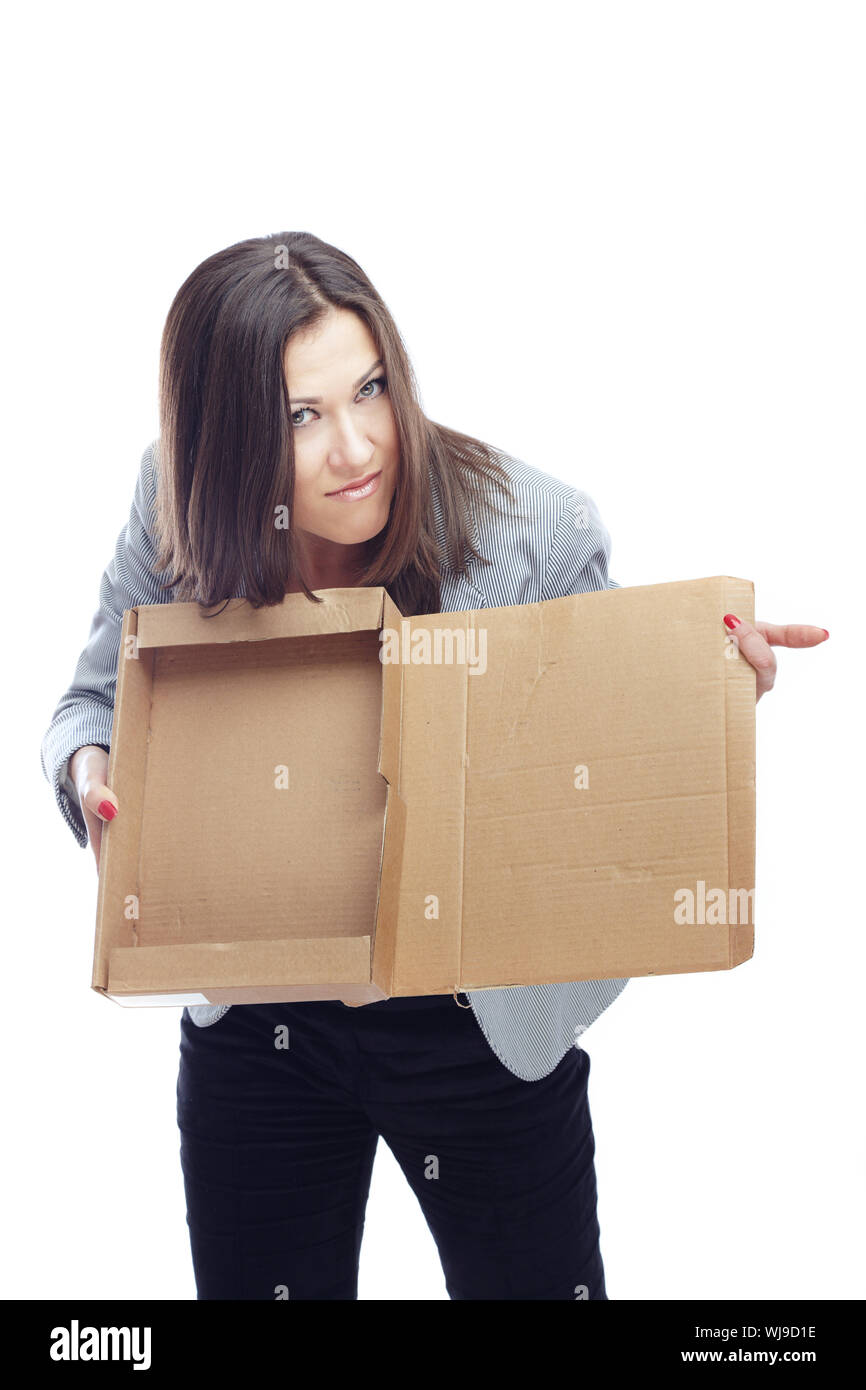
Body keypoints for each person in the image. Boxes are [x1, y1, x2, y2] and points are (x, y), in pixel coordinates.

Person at [40, 231, 829, 1300]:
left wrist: (701, 691)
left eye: (368, 388)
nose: (357, 446)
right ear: (226, 436)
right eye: (300, 415)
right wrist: (92, 772)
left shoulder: (531, 531)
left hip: (472, 1025)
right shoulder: (176, 498)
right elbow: (95, 696)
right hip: (261, 1022)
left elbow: (600, 756)